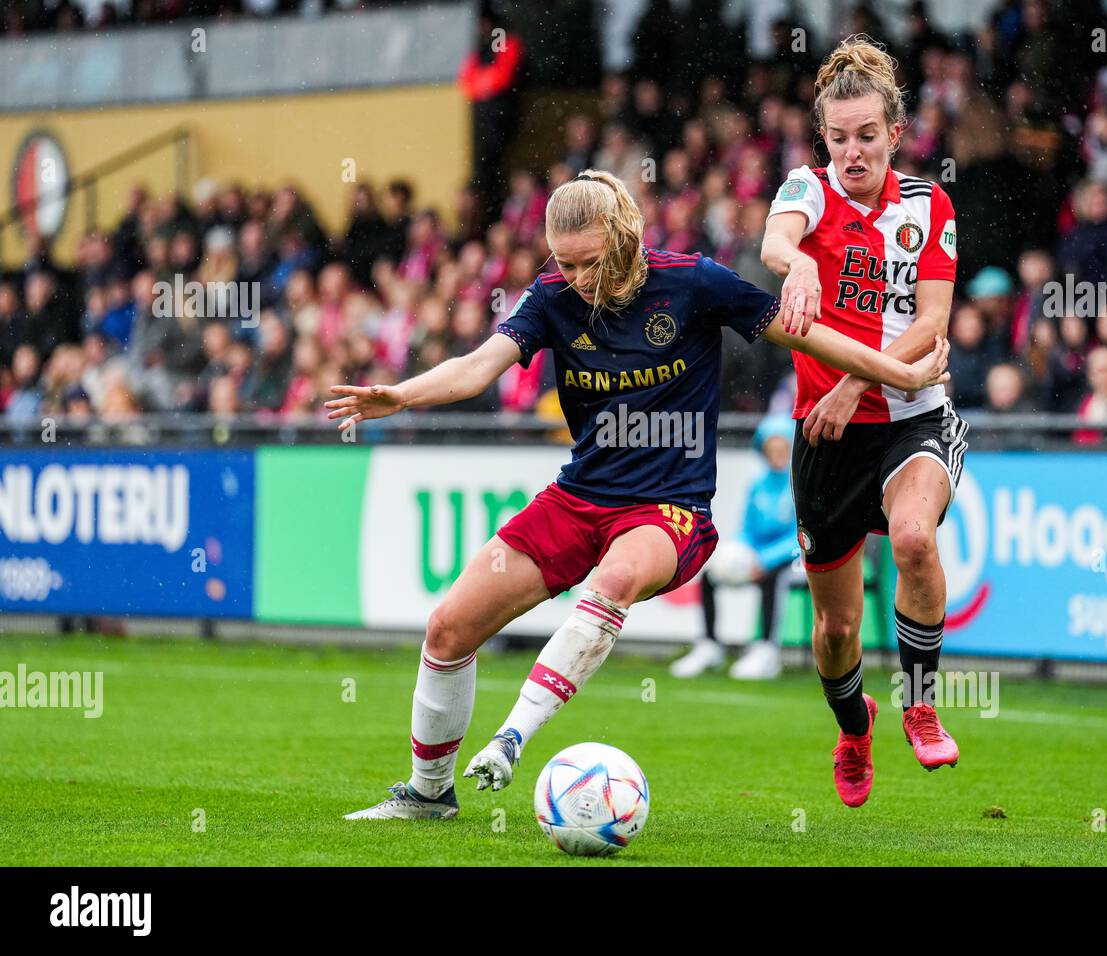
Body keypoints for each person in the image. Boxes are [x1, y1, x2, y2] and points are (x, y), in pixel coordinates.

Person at [326, 169, 950, 819]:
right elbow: (480, 364)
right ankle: (429, 795)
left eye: (588, 262)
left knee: (616, 577)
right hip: (579, 498)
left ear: (623, 237)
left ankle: (513, 738)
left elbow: (807, 337)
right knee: (449, 626)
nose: (575, 278)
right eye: (562, 263)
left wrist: (896, 371)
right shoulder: (551, 298)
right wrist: (400, 394)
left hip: (670, 510)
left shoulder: (693, 282)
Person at [761, 34, 965, 810]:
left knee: (914, 538)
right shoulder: (806, 191)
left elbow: (934, 323)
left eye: (867, 136)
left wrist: (853, 378)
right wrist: (799, 261)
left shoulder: (929, 205)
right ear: (824, 138)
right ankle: (855, 727)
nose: (853, 152)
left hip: (912, 414)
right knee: (836, 631)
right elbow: (774, 238)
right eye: (839, 137)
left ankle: (918, 701)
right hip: (826, 436)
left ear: (896, 133)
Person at [671, 415, 800, 681]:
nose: (776, 454)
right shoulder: (758, 485)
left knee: (773, 577)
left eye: (782, 447)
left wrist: (761, 561)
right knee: (709, 577)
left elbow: (798, 535)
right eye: (771, 448)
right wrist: (740, 551)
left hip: (795, 560)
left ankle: (766, 650)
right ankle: (709, 645)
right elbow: (747, 529)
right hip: (757, 558)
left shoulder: (798, 483)